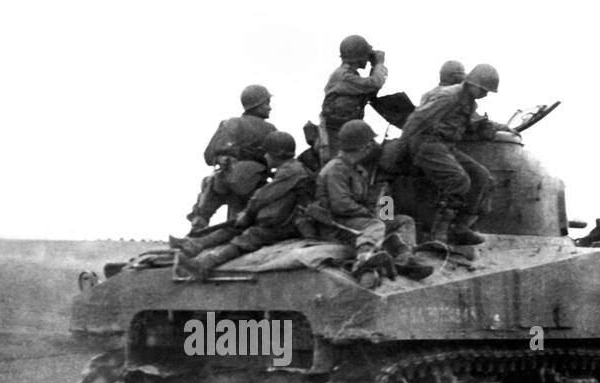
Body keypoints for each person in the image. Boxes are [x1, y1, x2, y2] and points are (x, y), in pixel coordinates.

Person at [302, 120, 432, 282]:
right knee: (375, 225)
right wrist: (370, 214)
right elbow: (340, 204)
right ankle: (363, 260)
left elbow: (372, 200)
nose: (373, 146)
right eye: (370, 142)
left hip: (356, 220)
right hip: (335, 224)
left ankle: (404, 258)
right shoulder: (336, 169)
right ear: (363, 146)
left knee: (403, 221)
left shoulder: (358, 169)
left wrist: (383, 211)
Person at [173, 131, 313, 280]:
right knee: (235, 227)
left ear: (277, 154)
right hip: (285, 219)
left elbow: (263, 197)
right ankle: (196, 245)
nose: (265, 157)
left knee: (252, 235)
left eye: (268, 153)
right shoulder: (292, 169)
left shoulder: (290, 171)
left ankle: (205, 264)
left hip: (289, 224)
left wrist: (247, 213)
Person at [397, 63, 510, 245]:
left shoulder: (469, 102)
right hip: (427, 143)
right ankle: (438, 234)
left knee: (481, 177)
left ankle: (461, 228)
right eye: (483, 90)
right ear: (472, 83)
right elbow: (417, 119)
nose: (486, 94)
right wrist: (402, 146)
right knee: (458, 180)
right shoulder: (449, 96)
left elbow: (473, 123)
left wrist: (496, 128)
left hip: (446, 145)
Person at [187, 85, 276, 232]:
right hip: (254, 189)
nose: (269, 108)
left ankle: (197, 227)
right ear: (256, 104)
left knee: (208, 191)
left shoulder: (230, 124)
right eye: (266, 103)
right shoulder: (271, 130)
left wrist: (224, 157)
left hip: (224, 182)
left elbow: (209, 156)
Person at [318, 35, 387, 164]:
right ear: (359, 57)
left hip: (345, 134)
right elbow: (375, 83)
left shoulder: (348, 75)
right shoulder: (344, 76)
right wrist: (379, 64)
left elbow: (369, 90)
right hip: (336, 137)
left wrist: (374, 67)